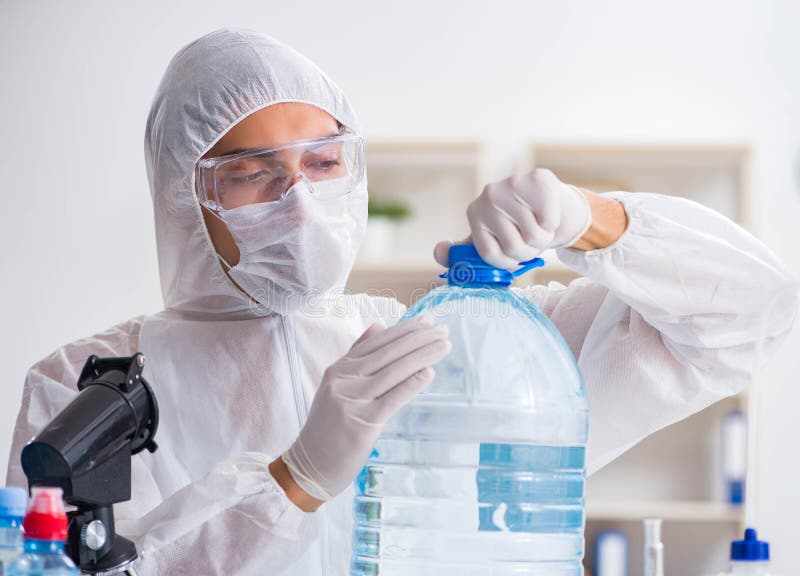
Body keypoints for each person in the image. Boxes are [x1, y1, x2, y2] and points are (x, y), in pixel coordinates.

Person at [6, 28, 797, 575]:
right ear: (185, 200)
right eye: (252, 173)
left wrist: (593, 221)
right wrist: (293, 480)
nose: (300, 201)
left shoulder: (452, 348)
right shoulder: (87, 387)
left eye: (323, 163)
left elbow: (750, 312)